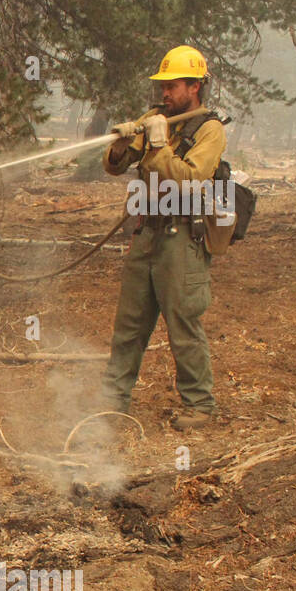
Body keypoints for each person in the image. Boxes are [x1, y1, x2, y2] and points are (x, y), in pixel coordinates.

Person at [100, 45, 230, 431]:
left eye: (172, 86)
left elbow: (189, 181)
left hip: (182, 240)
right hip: (146, 234)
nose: (165, 93)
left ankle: (200, 406)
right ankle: (113, 401)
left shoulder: (210, 129)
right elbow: (115, 166)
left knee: (183, 324)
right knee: (129, 326)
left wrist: (157, 145)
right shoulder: (156, 118)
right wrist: (121, 145)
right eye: (163, 86)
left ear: (195, 86)